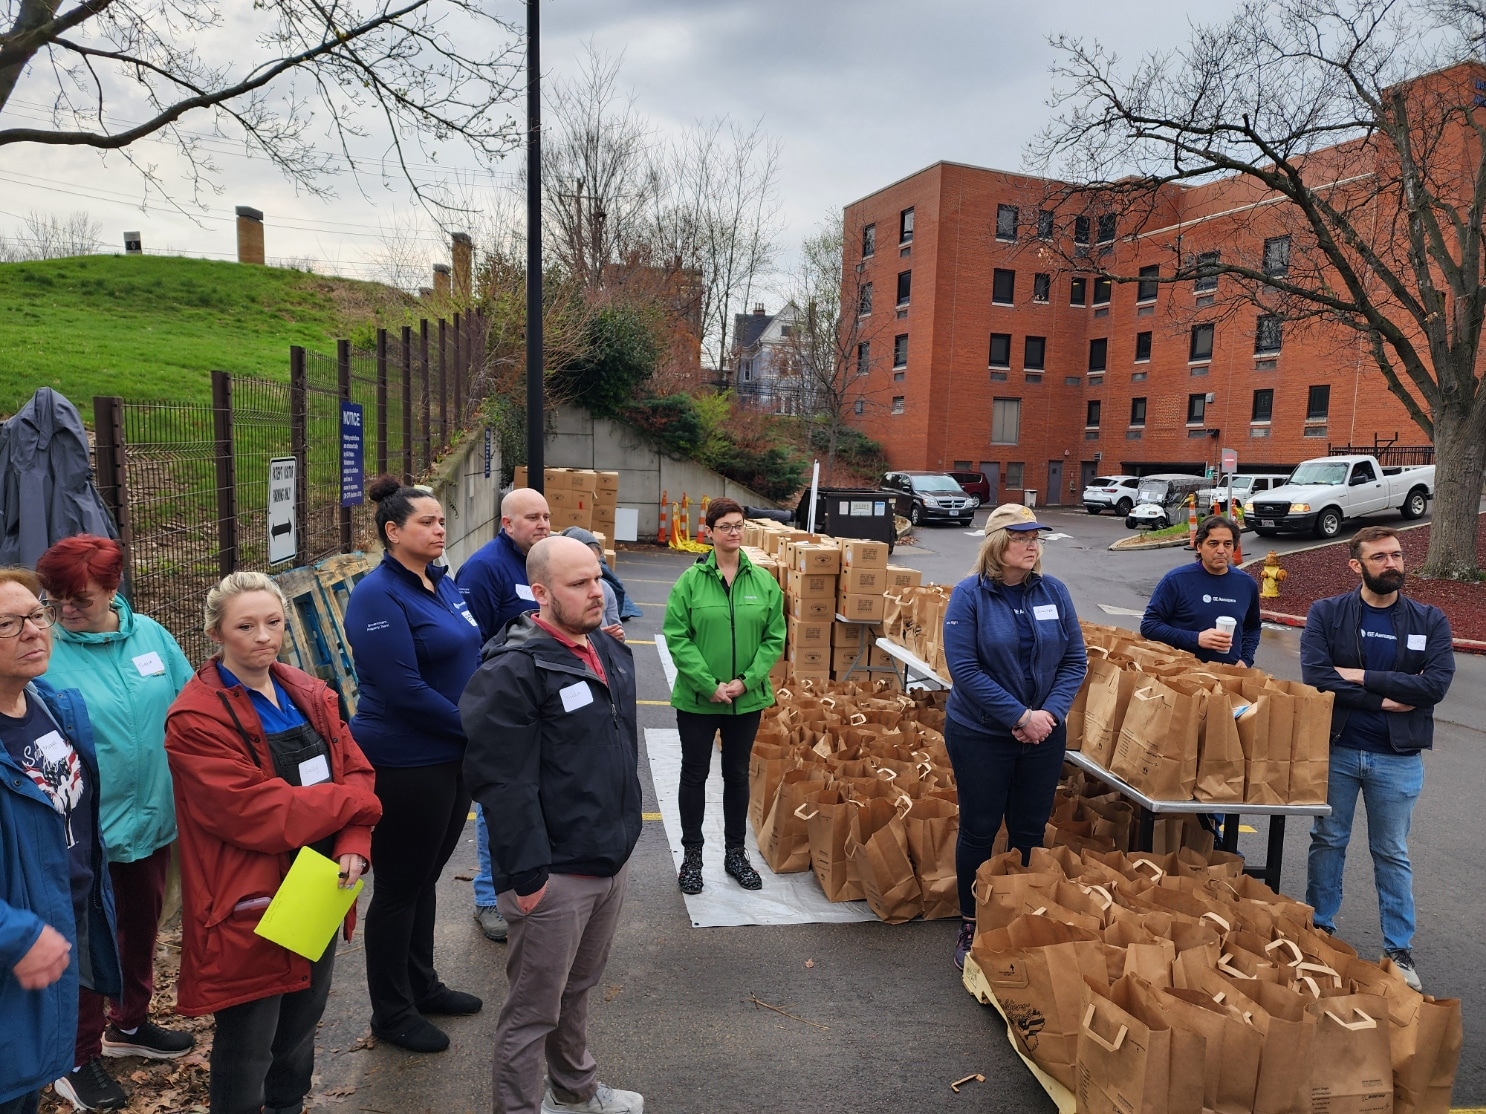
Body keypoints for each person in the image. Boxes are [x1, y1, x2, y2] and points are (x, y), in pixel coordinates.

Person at [164, 571, 382, 1114]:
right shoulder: (195, 718)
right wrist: (354, 807)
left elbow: (353, 767)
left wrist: (354, 837)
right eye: (245, 625)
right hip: (247, 900)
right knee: (248, 1045)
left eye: (274, 622)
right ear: (216, 633)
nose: (264, 636)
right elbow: (256, 811)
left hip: (319, 882)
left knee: (300, 1028)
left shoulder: (308, 692)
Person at [461, 535, 644, 1114]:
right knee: (533, 1010)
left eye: (598, 578)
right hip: (554, 874)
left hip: (606, 859)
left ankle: (576, 1093)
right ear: (540, 593)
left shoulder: (609, 651)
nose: (598, 593)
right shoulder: (512, 670)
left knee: (577, 992)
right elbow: (502, 783)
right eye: (580, 584)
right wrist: (530, 876)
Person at [36, 536, 196, 1111]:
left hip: (151, 819)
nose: (63, 611)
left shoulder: (150, 635)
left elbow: (189, 704)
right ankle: (77, 1057)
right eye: (54, 599)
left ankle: (129, 1023)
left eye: (79, 598)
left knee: (140, 924)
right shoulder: (43, 650)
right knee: (82, 945)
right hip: (81, 834)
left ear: (113, 588)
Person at [346, 477, 484, 1053]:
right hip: (406, 759)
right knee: (400, 887)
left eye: (440, 521)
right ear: (392, 531)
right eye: (426, 522)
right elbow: (401, 689)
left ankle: (422, 985)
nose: (438, 529)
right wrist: (478, 728)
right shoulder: (377, 596)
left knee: (425, 878)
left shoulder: (440, 584)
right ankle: (391, 1011)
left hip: (452, 755)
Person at [1300, 525, 1454, 992]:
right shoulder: (1327, 614)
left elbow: (1435, 686)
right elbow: (1319, 676)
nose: (1392, 564)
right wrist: (1383, 697)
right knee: (1327, 839)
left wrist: (1363, 676)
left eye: (1397, 555)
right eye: (1381, 557)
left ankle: (1398, 948)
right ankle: (1320, 930)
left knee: (1392, 852)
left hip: (1398, 757)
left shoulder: (1429, 620)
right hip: (1339, 748)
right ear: (1357, 565)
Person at [941, 503, 1087, 971]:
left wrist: (1048, 713)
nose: (1032, 545)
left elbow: (1074, 660)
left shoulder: (1054, 592)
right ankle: (972, 920)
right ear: (997, 545)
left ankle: (1020, 915)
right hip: (980, 734)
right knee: (980, 829)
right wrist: (1018, 716)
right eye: (1022, 537)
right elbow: (964, 670)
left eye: (1036, 537)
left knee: (1029, 830)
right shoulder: (970, 596)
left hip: (1045, 733)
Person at [0, 569, 121, 1114]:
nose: (33, 631)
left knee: (28, 1084)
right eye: (7, 624)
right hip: (18, 946)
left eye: (35, 615)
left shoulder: (51, 705)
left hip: (57, 932)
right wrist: (16, 935)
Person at [660, 497, 785, 895]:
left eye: (739, 525)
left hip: (744, 700)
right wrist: (707, 683)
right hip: (698, 700)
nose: (734, 532)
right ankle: (692, 858)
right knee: (694, 774)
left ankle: (735, 854)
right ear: (709, 532)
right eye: (726, 526)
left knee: (736, 774)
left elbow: (774, 637)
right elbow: (677, 637)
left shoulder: (764, 582)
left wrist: (746, 681)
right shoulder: (690, 583)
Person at [455, 487, 551, 944]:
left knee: (540, 800)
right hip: (504, 709)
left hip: (546, 706)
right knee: (498, 805)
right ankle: (489, 897)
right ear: (506, 524)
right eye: (531, 517)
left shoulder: (546, 561)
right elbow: (469, 643)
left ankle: (530, 887)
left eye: (546, 516)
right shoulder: (484, 568)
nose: (543, 524)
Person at [1140, 515, 1261, 666]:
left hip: (1228, 676)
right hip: (1179, 674)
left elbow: (1252, 628)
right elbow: (1149, 626)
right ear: (1199, 546)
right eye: (1213, 543)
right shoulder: (1177, 580)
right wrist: (1196, 639)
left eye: (1228, 544)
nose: (1221, 550)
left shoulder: (1246, 584)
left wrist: (1245, 659)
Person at [560, 527, 626, 642]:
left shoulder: (606, 589)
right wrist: (597, 638)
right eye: (586, 561)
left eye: (597, 561)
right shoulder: (562, 590)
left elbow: (617, 629)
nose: (596, 592)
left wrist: (618, 636)